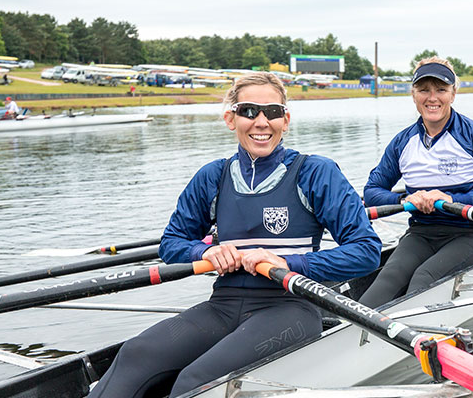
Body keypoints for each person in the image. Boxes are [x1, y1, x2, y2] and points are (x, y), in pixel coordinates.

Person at [88, 73, 382, 397]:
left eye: (271, 112)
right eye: (249, 111)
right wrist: (203, 253)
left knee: (194, 382)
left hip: (290, 306)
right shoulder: (213, 177)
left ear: (285, 120)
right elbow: (171, 243)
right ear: (231, 118)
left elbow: (366, 251)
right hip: (223, 305)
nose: (261, 122)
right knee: (134, 354)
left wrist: (287, 261)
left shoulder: (315, 172)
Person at [360, 57, 473, 309]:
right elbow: (372, 192)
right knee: (381, 287)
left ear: (453, 93)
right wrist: (403, 200)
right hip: (422, 233)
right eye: (424, 89)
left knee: (422, 279)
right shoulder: (402, 142)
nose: (432, 97)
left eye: (441, 89)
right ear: (413, 94)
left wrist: (455, 200)